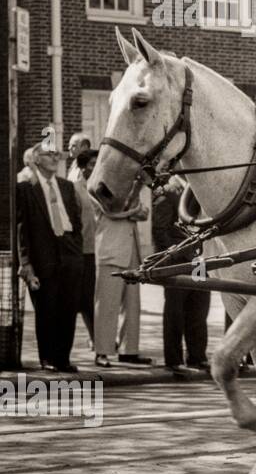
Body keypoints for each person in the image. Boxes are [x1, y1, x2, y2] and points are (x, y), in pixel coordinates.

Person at [16, 145, 83, 372]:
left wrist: (76, 250)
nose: (55, 158)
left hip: (69, 252)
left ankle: (63, 358)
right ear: (36, 160)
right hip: (44, 255)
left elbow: (76, 222)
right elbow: (22, 229)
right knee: (47, 308)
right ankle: (48, 358)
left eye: (56, 155)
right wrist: (26, 264)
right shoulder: (26, 189)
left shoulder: (66, 186)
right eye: (49, 155)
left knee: (69, 306)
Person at [152, 175, 210, 376]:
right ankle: (173, 359)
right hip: (178, 261)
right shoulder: (168, 193)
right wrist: (172, 257)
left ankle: (197, 356)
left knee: (199, 307)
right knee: (175, 312)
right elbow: (160, 230)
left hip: (199, 261)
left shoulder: (201, 192)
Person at [93, 182, 153, 368]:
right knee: (106, 304)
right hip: (110, 250)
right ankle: (102, 351)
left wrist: (131, 210)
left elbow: (144, 213)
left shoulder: (128, 189)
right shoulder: (96, 187)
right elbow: (112, 211)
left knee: (132, 304)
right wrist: (132, 210)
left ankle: (129, 350)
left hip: (132, 251)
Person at [72, 148, 100, 348]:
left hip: (97, 249)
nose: (95, 168)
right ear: (82, 168)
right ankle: (93, 337)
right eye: (91, 165)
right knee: (83, 297)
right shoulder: (75, 189)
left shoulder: (97, 187)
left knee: (92, 297)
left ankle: (97, 337)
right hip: (81, 250)